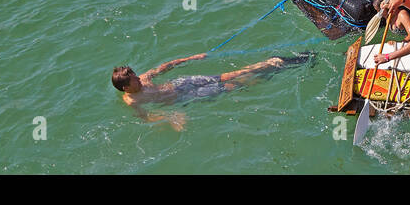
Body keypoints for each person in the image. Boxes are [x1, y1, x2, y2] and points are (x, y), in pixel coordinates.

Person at [112, 52, 303, 127]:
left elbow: (166, 66)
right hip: (184, 96)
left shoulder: (143, 78)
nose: (139, 78)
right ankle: (272, 70)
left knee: (226, 76)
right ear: (126, 87)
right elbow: (146, 118)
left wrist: (191, 58)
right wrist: (169, 117)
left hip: (181, 83)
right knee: (232, 86)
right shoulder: (132, 101)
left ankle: (270, 63)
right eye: (134, 79)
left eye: (136, 75)